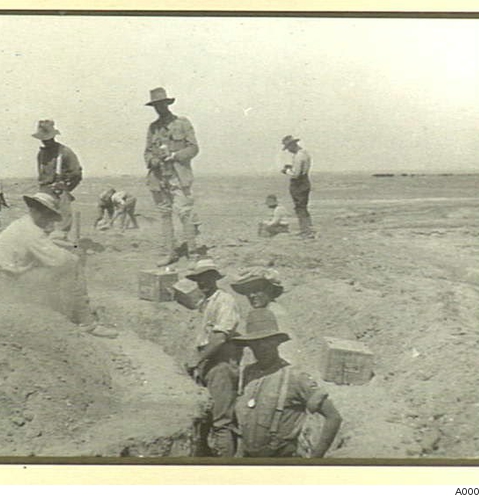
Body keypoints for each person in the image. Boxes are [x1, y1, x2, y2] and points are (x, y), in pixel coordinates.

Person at [0, 192, 117, 339]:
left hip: (4, 277)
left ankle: (70, 311)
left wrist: (71, 246)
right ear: (35, 211)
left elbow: (47, 244)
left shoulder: (23, 224)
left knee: (56, 267)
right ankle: (87, 322)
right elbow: (60, 260)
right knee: (71, 266)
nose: (48, 220)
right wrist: (76, 254)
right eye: (47, 215)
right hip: (8, 282)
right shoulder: (30, 231)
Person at [234, 308, 342, 458]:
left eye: (267, 342)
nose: (262, 348)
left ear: (277, 342)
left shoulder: (295, 377)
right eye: (256, 343)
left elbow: (333, 417)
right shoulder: (249, 374)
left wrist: (316, 459)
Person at [184, 259, 242, 457]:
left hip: (221, 364)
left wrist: (197, 361)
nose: (202, 282)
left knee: (221, 423)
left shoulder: (224, 300)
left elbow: (219, 339)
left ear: (215, 278)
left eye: (207, 278)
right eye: (199, 279)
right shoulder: (205, 302)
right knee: (205, 418)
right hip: (208, 363)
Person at [144, 87, 200, 266]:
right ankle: (170, 253)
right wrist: (152, 160)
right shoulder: (153, 128)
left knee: (185, 213)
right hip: (159, 178)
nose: (159, 108)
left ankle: (193, 254)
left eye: (161, 104)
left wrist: (175, 156)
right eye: (155, 105)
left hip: (178, 175)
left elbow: (193, 148)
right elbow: (146, 152)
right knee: (164, 214)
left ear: (167, 104)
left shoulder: (182, 123)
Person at [33, 119, 83, 241]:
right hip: (44, 192)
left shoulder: (65, 152)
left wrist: (66, 187)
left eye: (47, 138)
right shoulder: (41, 154)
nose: (45, 141)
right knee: (40, 227)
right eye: (43, 138)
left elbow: (77, 174)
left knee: (61, 229)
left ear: (53, 136)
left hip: (59, 193)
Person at [281, 135, 314, 239]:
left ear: (292, 145)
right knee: (302, 207)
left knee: (300, 207)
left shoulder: (299, 156)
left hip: (299, 183)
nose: (288, 151)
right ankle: (306, 229)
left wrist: (286, 171)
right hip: (304, 181)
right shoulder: (304, 153)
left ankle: (306, 231)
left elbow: (296, 174)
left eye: (288, 148)